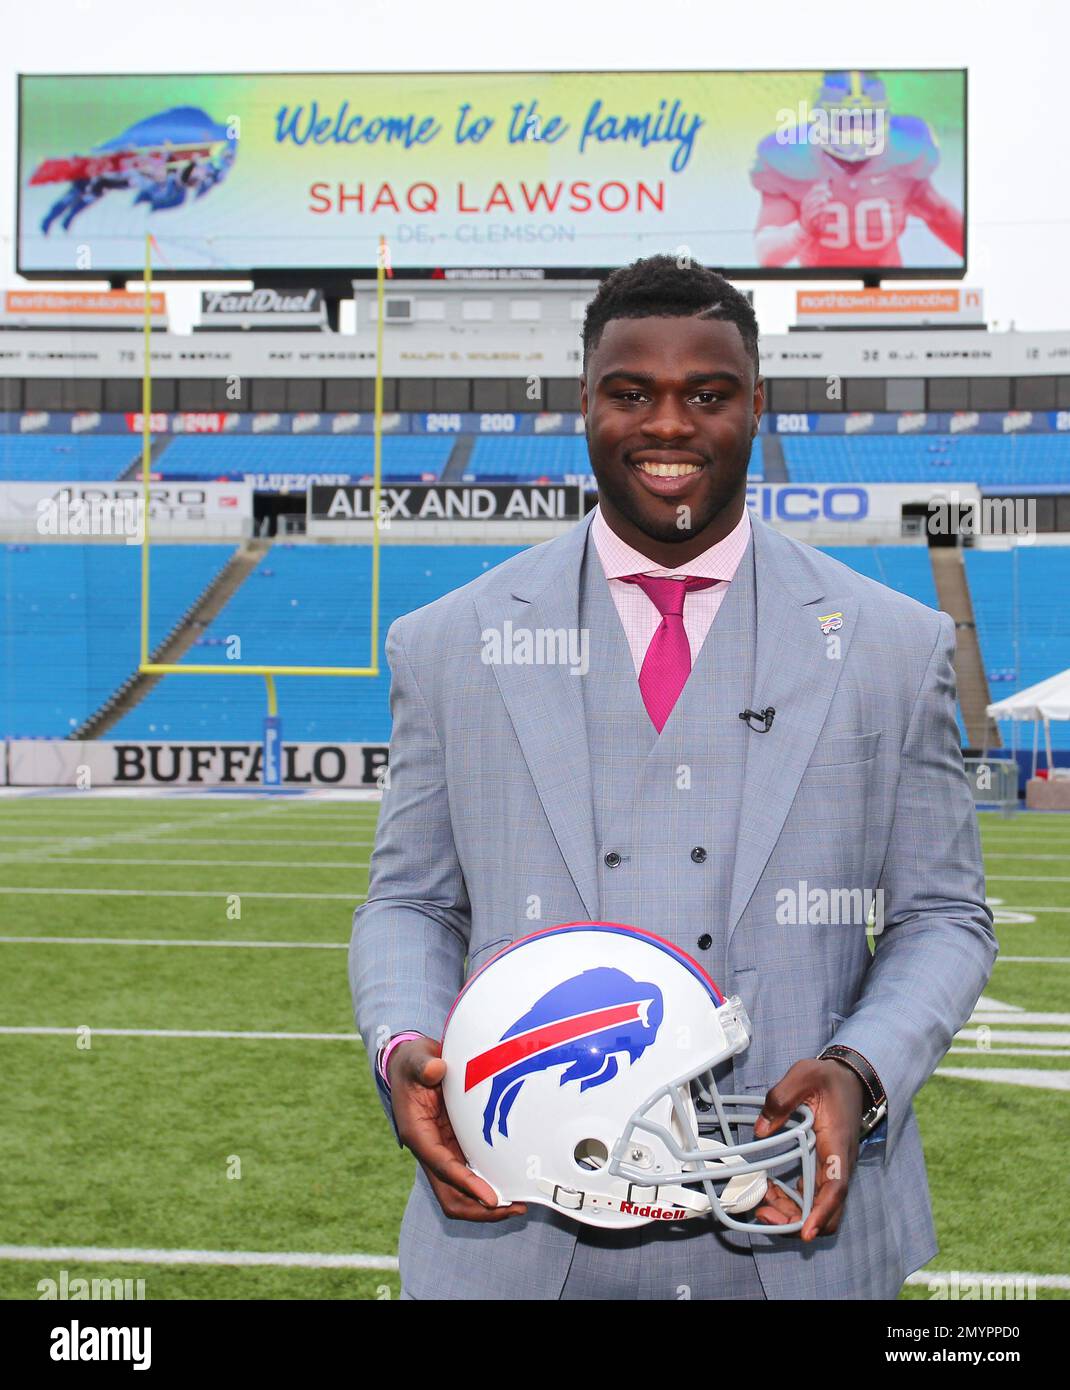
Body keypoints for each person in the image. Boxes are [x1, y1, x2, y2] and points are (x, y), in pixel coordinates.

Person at [349, 253, 995, 1300]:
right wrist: (402, 1043)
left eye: (706, 393)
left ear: (754, 407)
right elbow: (410, 900)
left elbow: (942, 915)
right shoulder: (448, 641)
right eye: (630, 392)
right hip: (518, 1227)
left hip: (791, 1224)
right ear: (583, 406)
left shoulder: (887, 642)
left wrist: (859, 1070)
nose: (667, 424)